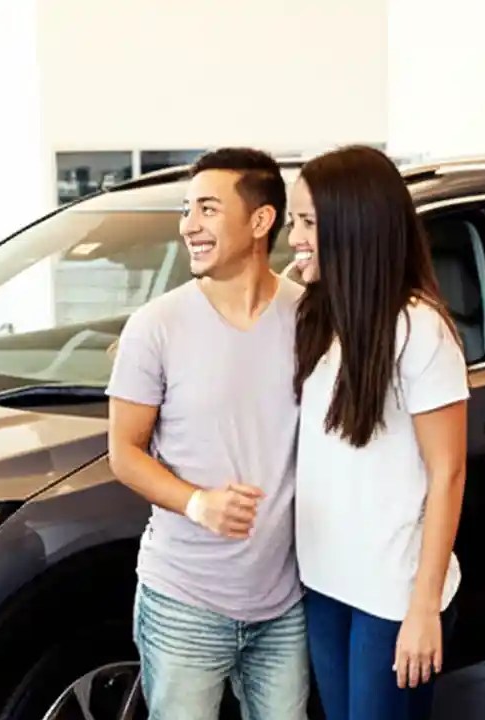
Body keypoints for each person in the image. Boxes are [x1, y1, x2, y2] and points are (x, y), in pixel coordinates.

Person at [107, 148, 309, 719]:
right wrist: (198, 504)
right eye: (186, 209)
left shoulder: (311, 316)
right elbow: (123, 452)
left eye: (208, 209)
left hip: (284, 602)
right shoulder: (156, 326)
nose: (188, 225)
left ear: (261, 221)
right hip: (184, 600)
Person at [287, 145, 467, 720]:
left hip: (393, 593)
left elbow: (448, 473)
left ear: (354, 227)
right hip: (326, 581)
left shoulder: (420, 330)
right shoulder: (318, 318)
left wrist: (423, 607)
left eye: (309, 223)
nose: (294, 237)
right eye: (294, 222)